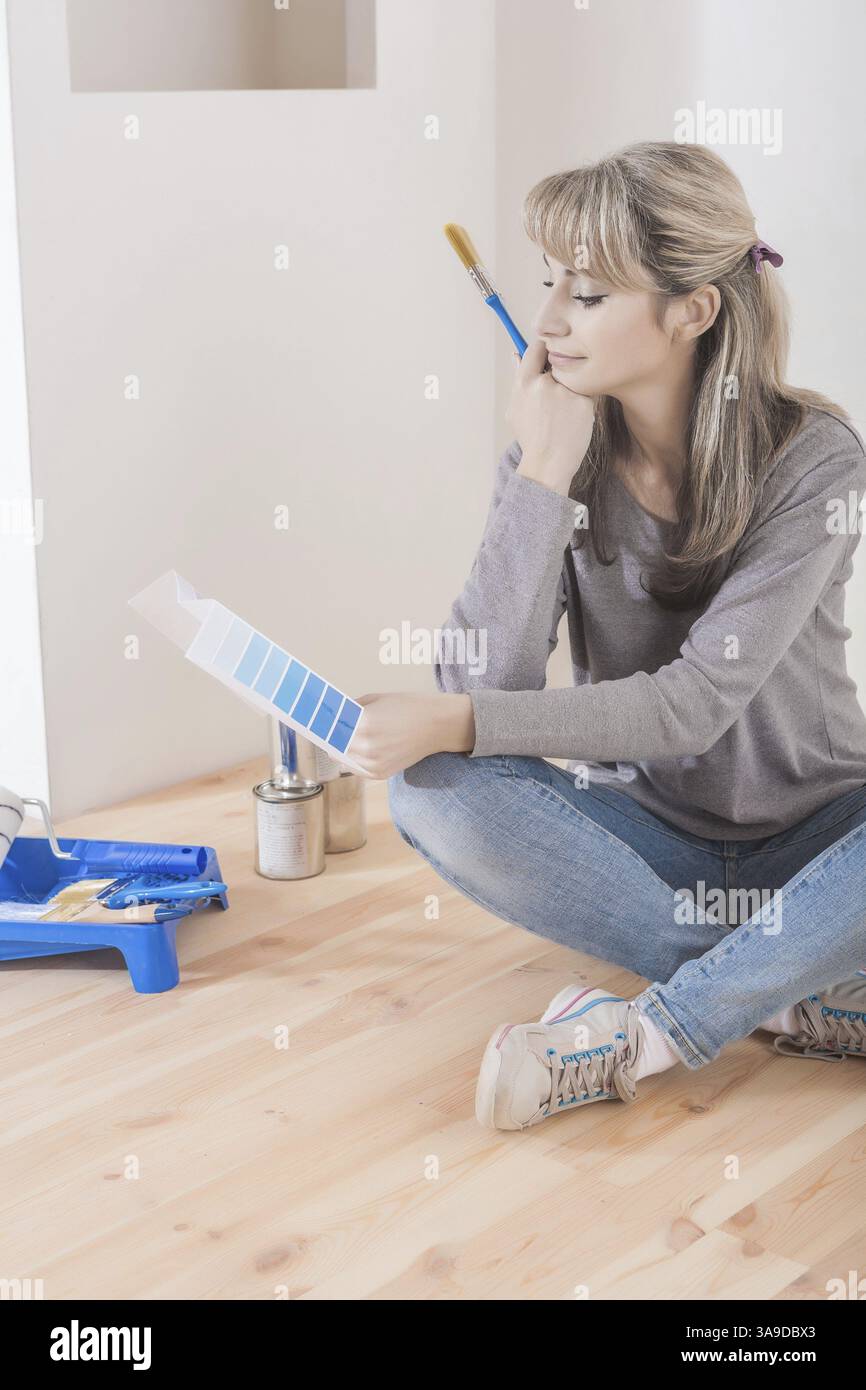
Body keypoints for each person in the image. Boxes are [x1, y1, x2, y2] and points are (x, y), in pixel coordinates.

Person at [351, 141, 866, 1130]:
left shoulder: (815, 459)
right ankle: (786, 984)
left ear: (692, 310)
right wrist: (542, 475)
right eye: (546, 286)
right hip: (648, 842)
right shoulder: (555, 442)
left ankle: (643, 1035)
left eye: (584, 295)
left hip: (817, 834)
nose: (546, 321)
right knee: (434, 787)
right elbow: (485, 674)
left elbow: (690, 705)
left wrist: (457, 714)